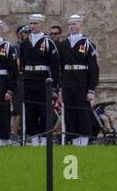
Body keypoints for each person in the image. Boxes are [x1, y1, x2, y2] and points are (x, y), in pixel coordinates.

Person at [59, 13, 99, 145]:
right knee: (69, 112)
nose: (71, 26)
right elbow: (59, 68)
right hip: (67, 82)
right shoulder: (63, 45)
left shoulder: (87, 44)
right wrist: (60, 88)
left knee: (82, 111)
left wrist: (91, 90)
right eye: (70, 24)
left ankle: (84, 139)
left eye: (74, 24)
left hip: (81, 82)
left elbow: (93, 69)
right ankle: (73, 138)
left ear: (81, 25)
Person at [20, 13, 60, 145]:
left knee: (44, 111)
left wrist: (55, 85)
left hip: (43, 80)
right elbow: (22, 64)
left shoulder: (48, 42)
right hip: (29, 79)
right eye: (31, 23)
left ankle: (44, 138)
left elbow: (54, 65)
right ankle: (33, 137)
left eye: (36, 23)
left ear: (41, 24)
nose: (33, 26)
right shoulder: (25, 43)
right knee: (30, 110)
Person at [11, 24, 30, 140]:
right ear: (20, 34)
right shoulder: (18, 47)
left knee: (19, 109)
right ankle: (14, 133)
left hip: (22, 80)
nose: (28, 35)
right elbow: (18, 65)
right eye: (26, 33)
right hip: (19, 80)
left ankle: (18, 132)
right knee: (18, 109)